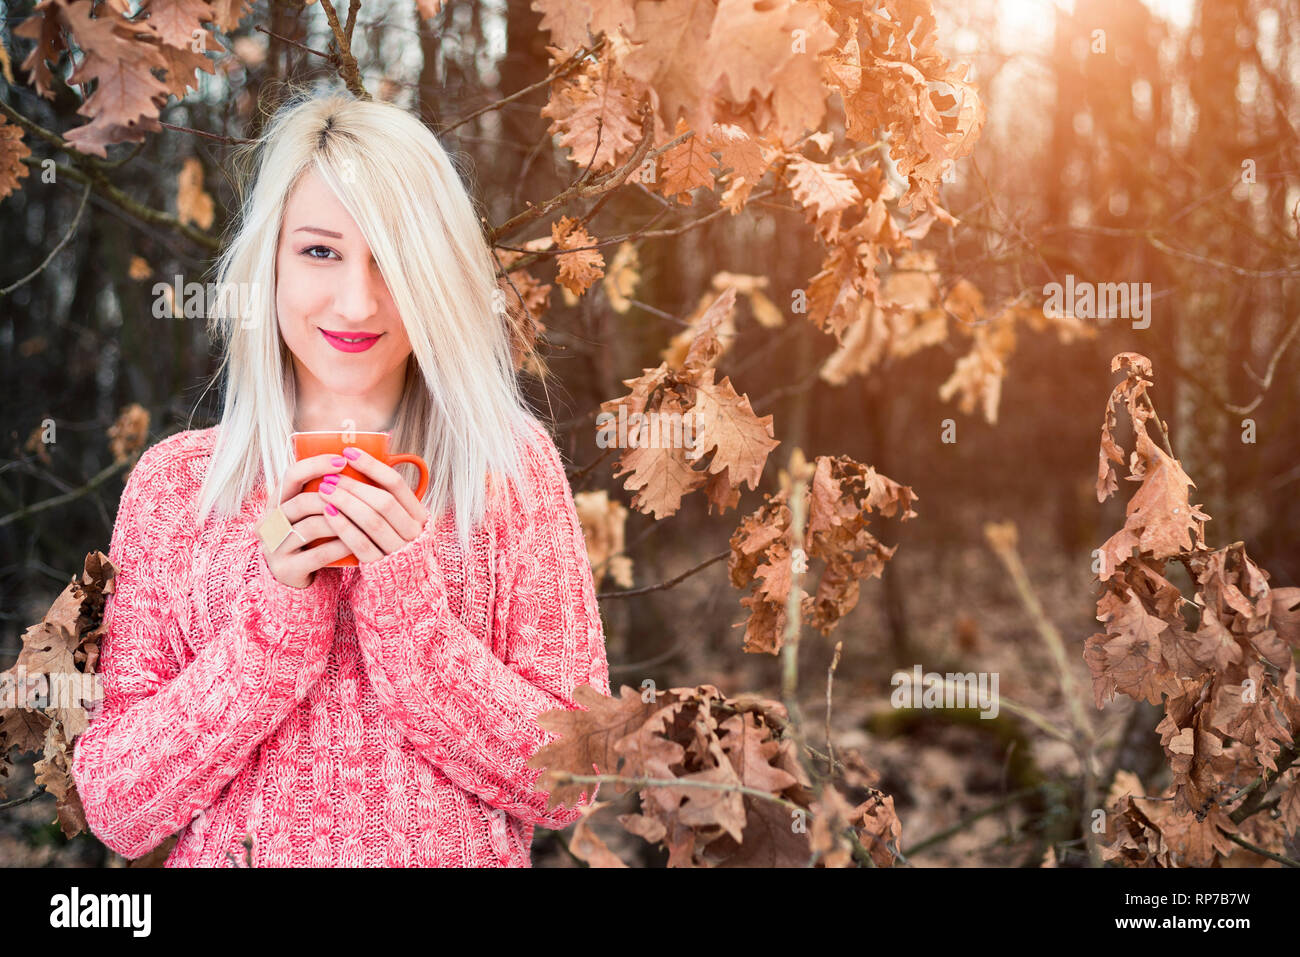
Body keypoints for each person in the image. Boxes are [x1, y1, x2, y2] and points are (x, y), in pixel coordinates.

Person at [69, 90, 612, 867]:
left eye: (391, 257)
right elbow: (118, 805)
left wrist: (409, 618)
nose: (356, 300)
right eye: (320, 251)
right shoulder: (177, 486)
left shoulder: (508, 466)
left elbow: (575, 779)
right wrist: (271, 629)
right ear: (272, 261)